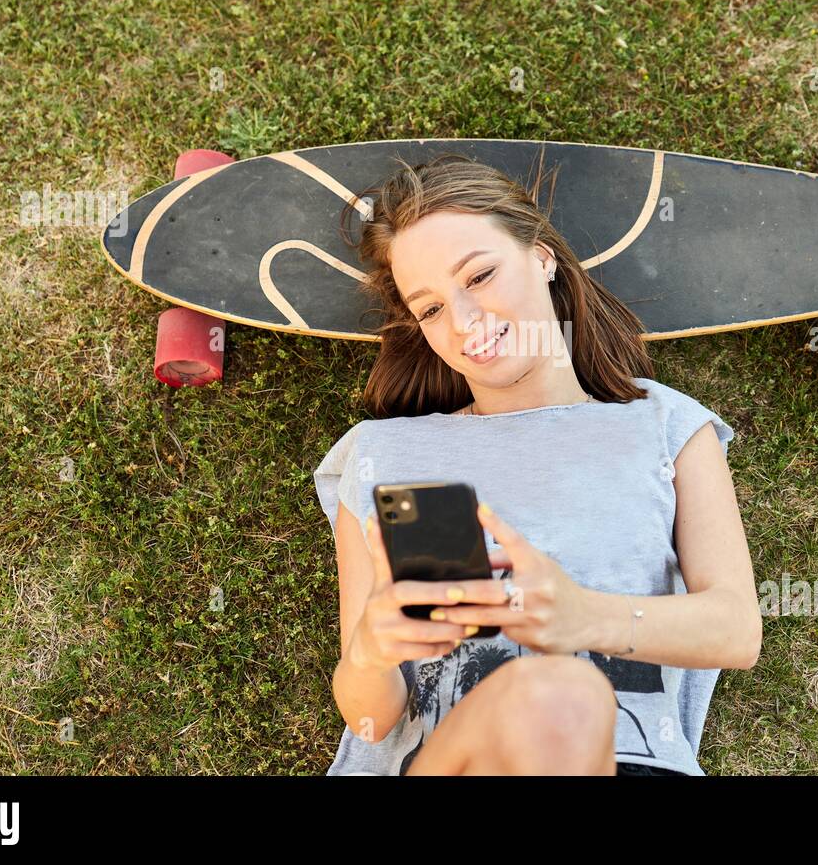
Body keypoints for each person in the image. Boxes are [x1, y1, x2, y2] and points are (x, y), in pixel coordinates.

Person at [313, 152, 760, 775]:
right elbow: (372, 719)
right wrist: (370, 653)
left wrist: (583, 615)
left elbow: (736, 629)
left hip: (630, 763)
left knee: (566, 698)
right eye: (432, 309)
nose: (464, 321)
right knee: (556, 695)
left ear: (542, 256)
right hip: (454, 762)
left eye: (479, 276)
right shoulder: (390, 454)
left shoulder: (663, 426)